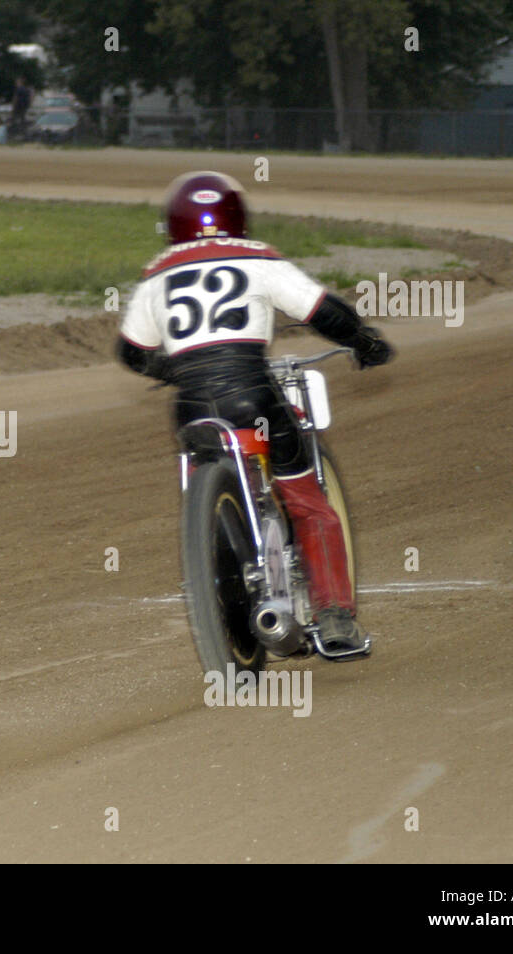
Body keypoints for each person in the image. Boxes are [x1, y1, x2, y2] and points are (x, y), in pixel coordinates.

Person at [115, 171, 394, 656]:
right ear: (238, 217)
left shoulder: (157, 274)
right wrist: (365, 341)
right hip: (253, 394)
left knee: (203, 468)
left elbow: (132, 352)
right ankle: (335, 620)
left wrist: (173, 370)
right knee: (308, 503)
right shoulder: (256, 258)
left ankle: (223, 549)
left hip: (192, 406)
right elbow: (322, 310)